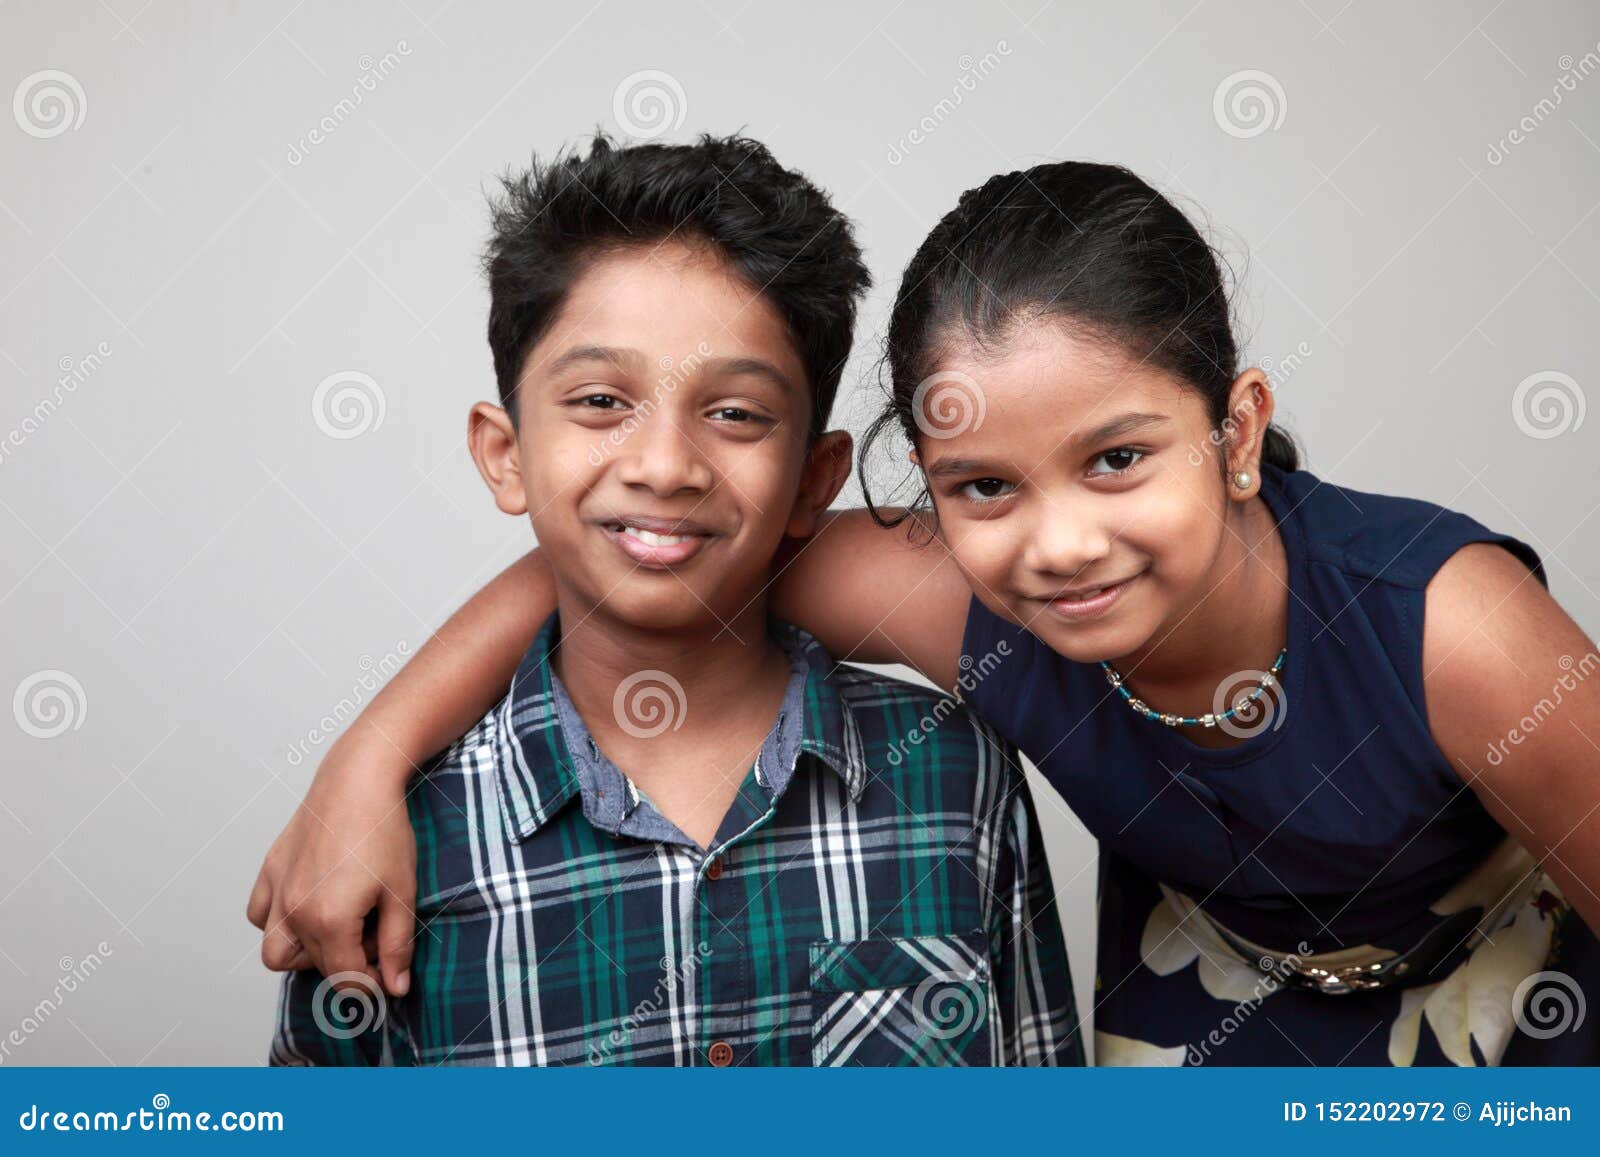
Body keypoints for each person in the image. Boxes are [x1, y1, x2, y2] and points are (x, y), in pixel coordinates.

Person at [255, 157, 1600, 1066]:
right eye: (983, 484)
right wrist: (365, 763)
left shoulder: (1453, 633)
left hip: (1515, 1013)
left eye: (1118, 458)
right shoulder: (962, 595)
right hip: (1210, 1016)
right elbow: (637, 557)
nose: (1059, 544)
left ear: (1236, 430)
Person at [265, 133, 1081, 1067]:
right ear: (505, 453)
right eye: (601, 402)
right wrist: (371, 756)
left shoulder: (954, 774)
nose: (663, 466)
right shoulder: (386, 848)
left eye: (734, 413)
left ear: (815, 478)